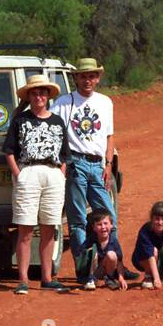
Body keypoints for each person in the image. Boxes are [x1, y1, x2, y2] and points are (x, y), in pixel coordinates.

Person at [3, 74, 70, 294]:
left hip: (52, 173)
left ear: (48, 95)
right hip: (28, 172)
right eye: (34, 92)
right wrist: (18, 174)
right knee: (25, 229)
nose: (39, 96)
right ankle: (23, 280)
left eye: (42, 92)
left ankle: (47, 277)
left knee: (50, 228)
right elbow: (9, 150)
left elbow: (65, 154)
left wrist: (61, 173)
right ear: (29, 96)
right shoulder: (21, 120)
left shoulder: (58, 121)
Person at [53, 57, 118, 281]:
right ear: (76, 78)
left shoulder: (105, 102)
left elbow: (109, 135)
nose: (87, 80)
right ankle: (84, 270)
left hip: (98, 164)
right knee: (78, 219)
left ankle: (111, 264)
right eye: (83, 76)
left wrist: (108, 163)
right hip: (76, 164)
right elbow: (52, 129)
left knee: (110, 217)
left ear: (98, 78)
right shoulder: (63, 102)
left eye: (91, 76)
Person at [74, 209, 136, 291]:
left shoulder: (113, 241)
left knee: (111, 255)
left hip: (106, 269)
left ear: (111, 225)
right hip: (94, 271)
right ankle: (91, 279)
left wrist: (121, 278)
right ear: (94, 228)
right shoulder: (91, 240)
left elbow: (119, 262)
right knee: (92, 251)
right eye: (99, 224)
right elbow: (80, 255)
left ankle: (109, 278)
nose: (103, 227)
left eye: (106, 223)